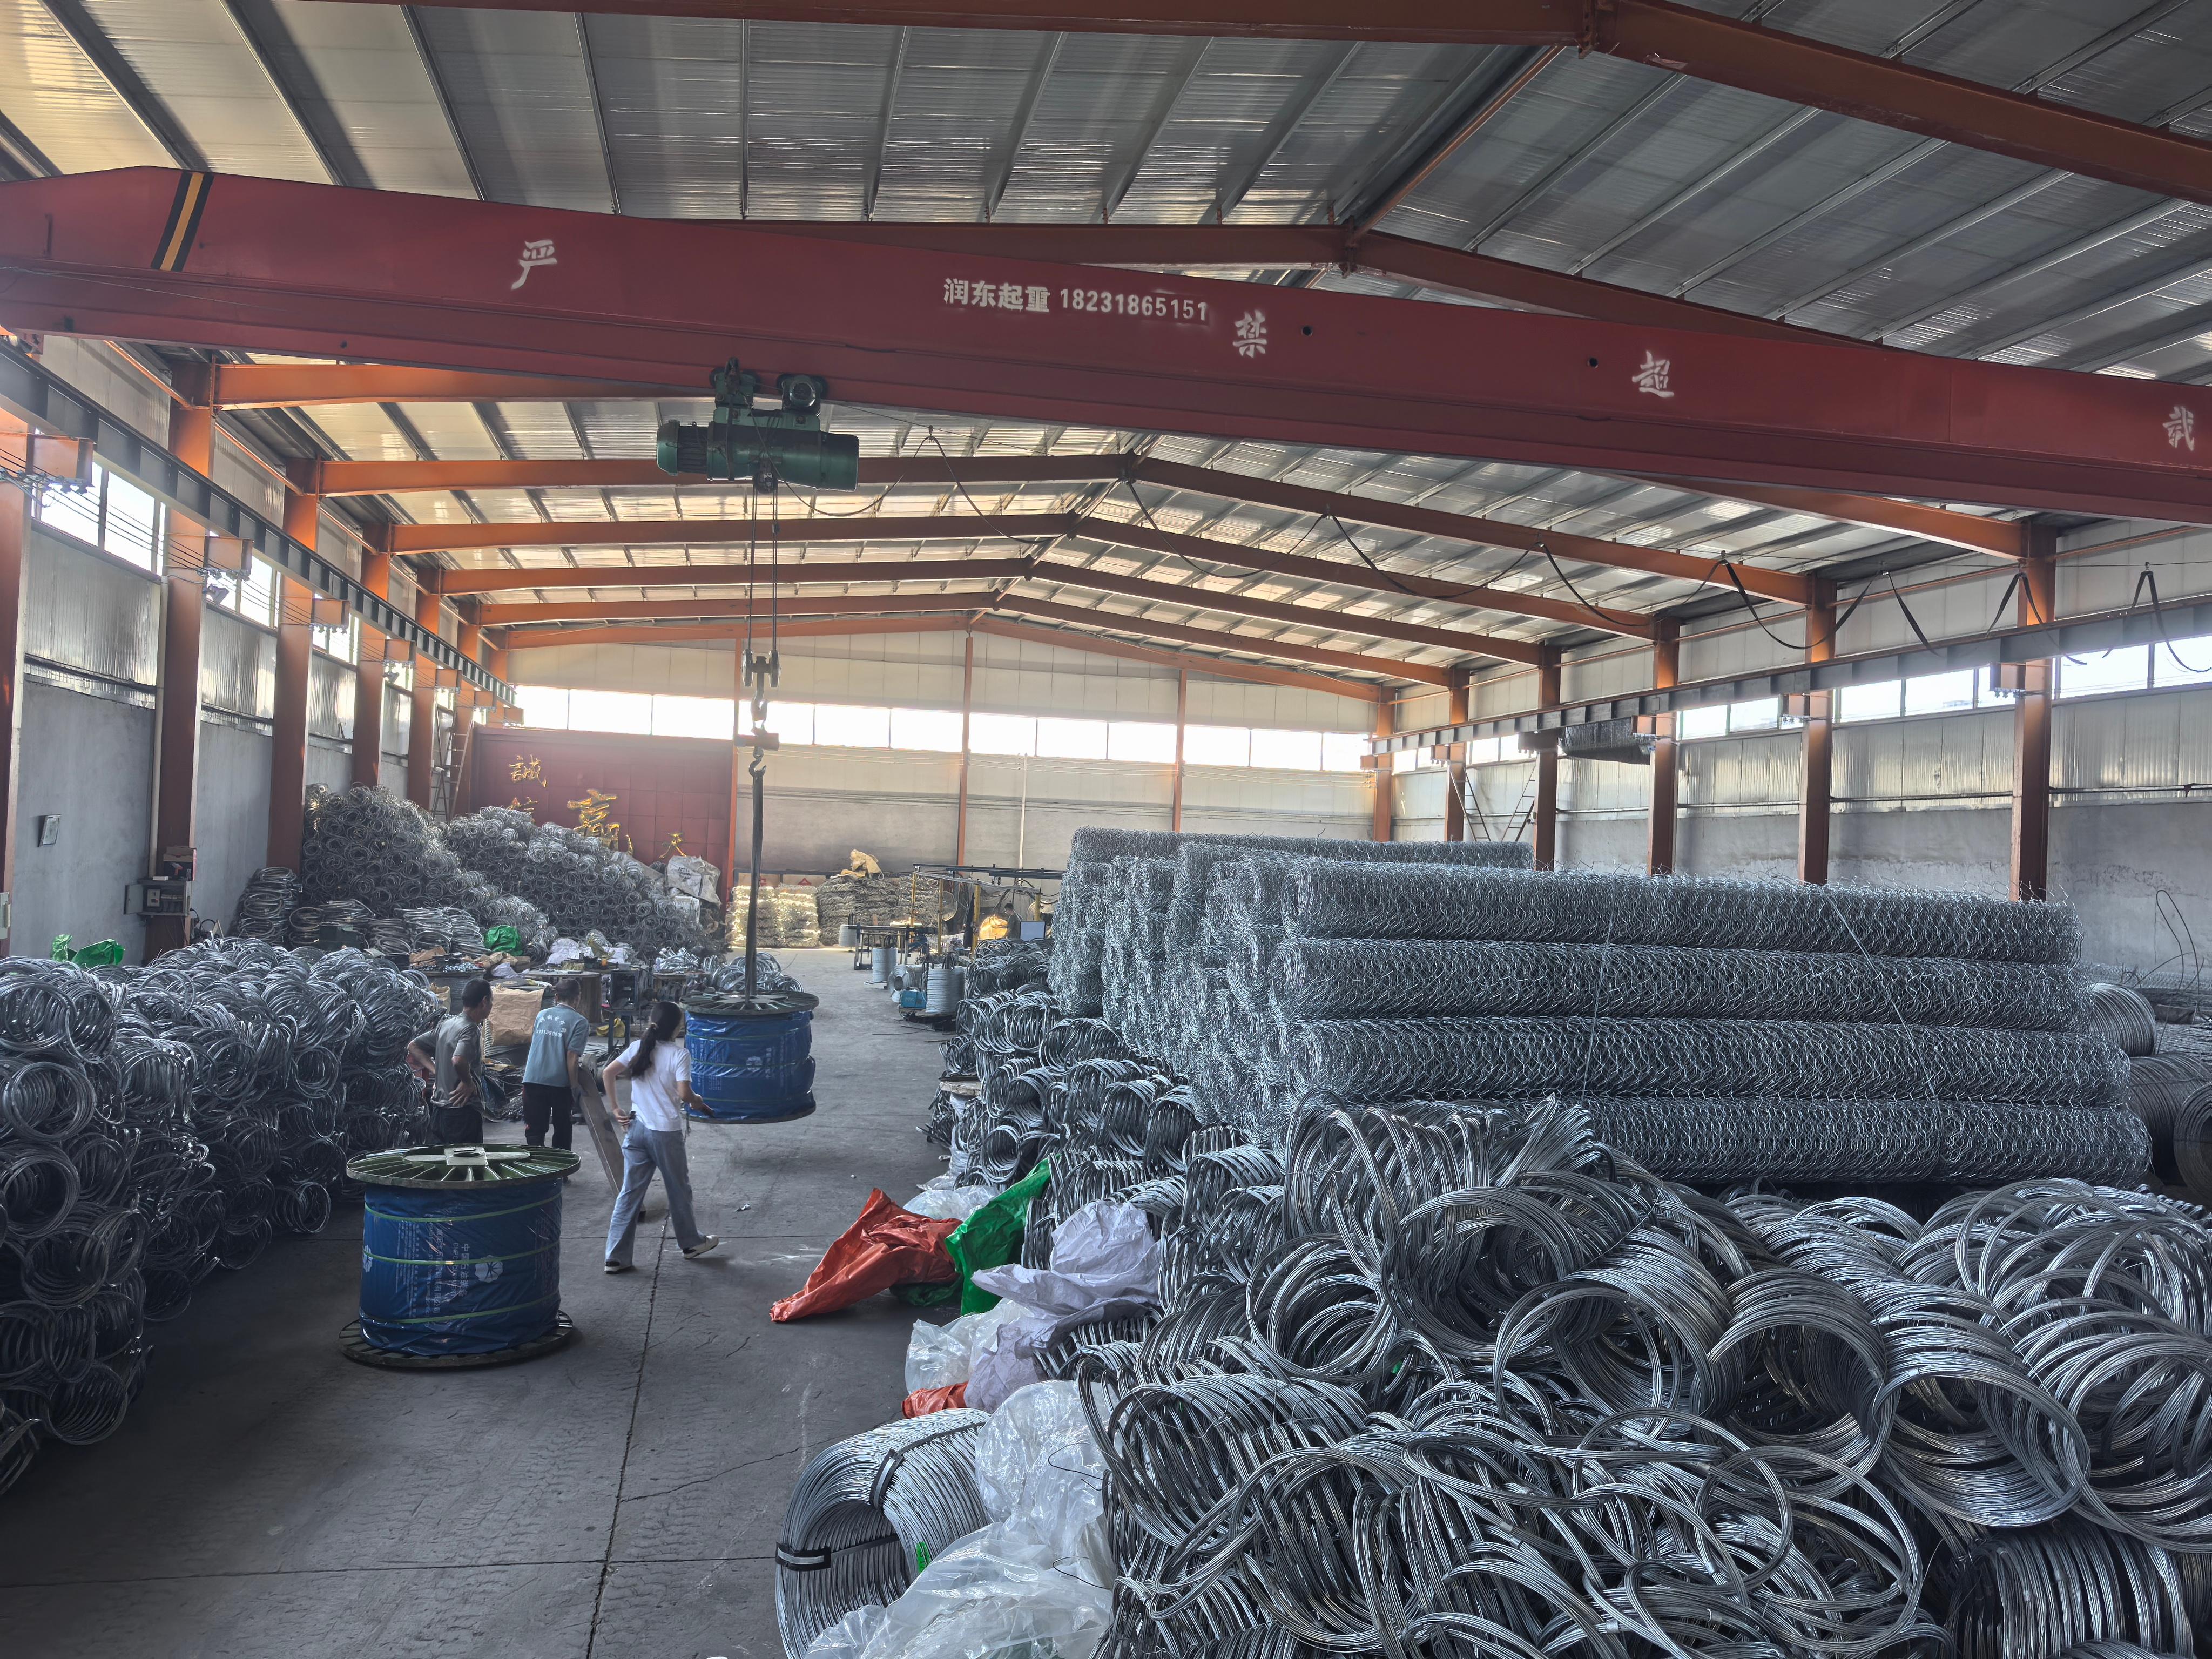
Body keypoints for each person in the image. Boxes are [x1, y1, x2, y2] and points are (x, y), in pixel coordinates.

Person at [601, 999, 721, 1272]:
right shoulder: (679, 1055)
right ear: (677, 1028)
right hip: (665, 1133)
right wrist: (698, 1101)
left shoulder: (638, 1047)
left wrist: (616, 1108)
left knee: (630, 1193)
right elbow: (684, 1094)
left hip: (637, 1130)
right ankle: (691, 1243)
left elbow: (608, 1072)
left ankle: (615, 1257)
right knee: (679, 1189)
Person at [408, 979, 492, 1145]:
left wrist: (437, 1071)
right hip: (462, 1113)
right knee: (466, 1160)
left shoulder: (446, 1025)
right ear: (484, 1002)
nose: (491, 1006)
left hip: (439, 1110)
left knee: (442, 1158)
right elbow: (458, 1060)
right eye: (491, 1001)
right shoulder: (470, 1028)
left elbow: (413, 1046)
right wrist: (468, 1082)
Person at [520, 976, 591, 1150]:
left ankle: (537, 1166)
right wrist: (574, 1087)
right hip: (559, 1084)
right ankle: (561, 1167)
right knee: (562, 1128)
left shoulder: (542, 1015)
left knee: (535, 1132)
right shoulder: (580, 1022)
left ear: (557, 997)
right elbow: (572, 1056)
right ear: (578, 998)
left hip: (532, 1079)